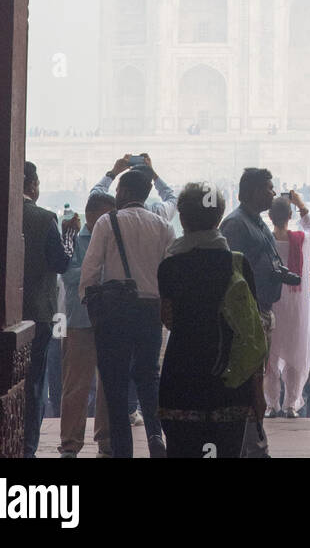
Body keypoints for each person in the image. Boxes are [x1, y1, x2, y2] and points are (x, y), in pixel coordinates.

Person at [157, 183, 260, 458]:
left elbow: (168, 320)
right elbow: (252, 330)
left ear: (182, 218)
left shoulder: (169, 267)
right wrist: (257, 388)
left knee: (181, 449)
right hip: (229, 378)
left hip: (182, 376)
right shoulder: (238, 265)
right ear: (218, 219)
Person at [79, 165, 174, 457]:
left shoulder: (107, 223)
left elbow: (90, 272)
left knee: (115, 384)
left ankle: (123, 450)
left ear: (123, 192)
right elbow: (171, 275)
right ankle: (156, 436)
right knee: (148, 376)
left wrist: (94, 310)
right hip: (150, 311)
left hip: (115, 312)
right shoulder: (163, 226)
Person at [220, 168, 287, 455]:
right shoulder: (236, 225)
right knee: (249, 382)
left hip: (262, 309)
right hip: (247, 315)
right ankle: (251, 446)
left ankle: (252, 445)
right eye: (269, 188)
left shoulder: (257, 223)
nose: (273, 193)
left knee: (255, 380)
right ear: (254, 191)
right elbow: (228, 273)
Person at [22, 161, 76, 457]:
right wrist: (69, 235)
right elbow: (61, 263)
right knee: (35, 383)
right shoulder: (44, 218)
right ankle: (28, 446)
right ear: (32, 184)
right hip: (39, 312)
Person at [59, 193, 115, 458]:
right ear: (90, 214)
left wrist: (93, 275)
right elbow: (69, 275)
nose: (109, 221)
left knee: (109, 385)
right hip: (80, 321)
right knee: (76, 385)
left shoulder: (115, 237)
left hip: (109, 320)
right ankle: (70, 443)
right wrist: (100, 273)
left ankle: (105, 440)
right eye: (105, 215)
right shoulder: (73, 238)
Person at [263, 190, 310, 416]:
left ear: (270, 216)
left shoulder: (265, 240)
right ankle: (291, 405)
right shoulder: (302, 240)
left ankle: (271, 405)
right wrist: (301, 204)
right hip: (297, 307)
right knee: (296, 356)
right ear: (289, 216)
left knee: (270, 358)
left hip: (272, 303)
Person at [90, 153, 177, 222]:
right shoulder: (158, 213)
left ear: (123, 192)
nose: (116, 191)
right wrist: (153, 174)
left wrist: (114, 172)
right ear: (148, 189)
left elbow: (94, 198)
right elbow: (172, 199)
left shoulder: (111, 216)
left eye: (118, 189)